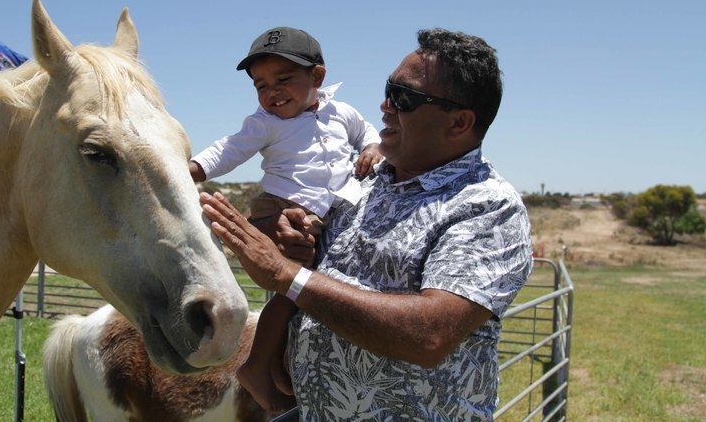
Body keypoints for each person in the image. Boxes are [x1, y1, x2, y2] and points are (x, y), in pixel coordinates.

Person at [200, 28, 534, 421]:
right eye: (389, 90)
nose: (385, 106)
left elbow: (429, 335)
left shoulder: (487, 208)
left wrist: (286, 274)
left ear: (459, 123)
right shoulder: (358, 182)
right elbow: (302, 263)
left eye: (404, 98)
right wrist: (280, 228)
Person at [189, 26, 382, 410]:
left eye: (283, 80)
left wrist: (373, 147)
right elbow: (230, 149)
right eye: (260, 85)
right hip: (282, 209)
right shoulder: (265, 123)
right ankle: (259, 365)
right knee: (295, 287)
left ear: (317, 77)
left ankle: (279, 366)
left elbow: (366, 132)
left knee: (305, 293)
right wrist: (193, 170)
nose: (271, 92)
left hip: (324, 214)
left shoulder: (342, 112)